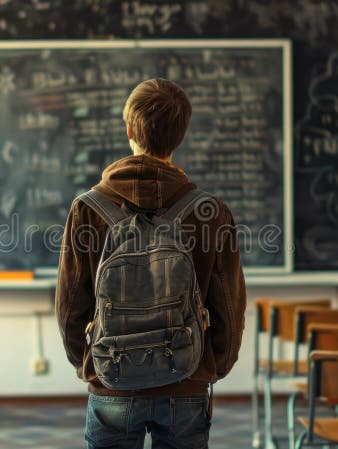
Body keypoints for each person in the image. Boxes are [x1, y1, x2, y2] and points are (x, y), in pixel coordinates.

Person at [56, 78, 246, 449]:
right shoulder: (211, 213)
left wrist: (90, 366)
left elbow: (69, 306)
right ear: (181, 135)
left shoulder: (87, 209)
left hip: (111, 377)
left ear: (128, 129)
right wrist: (210, 367)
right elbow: (228, 305)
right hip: (187, 377)